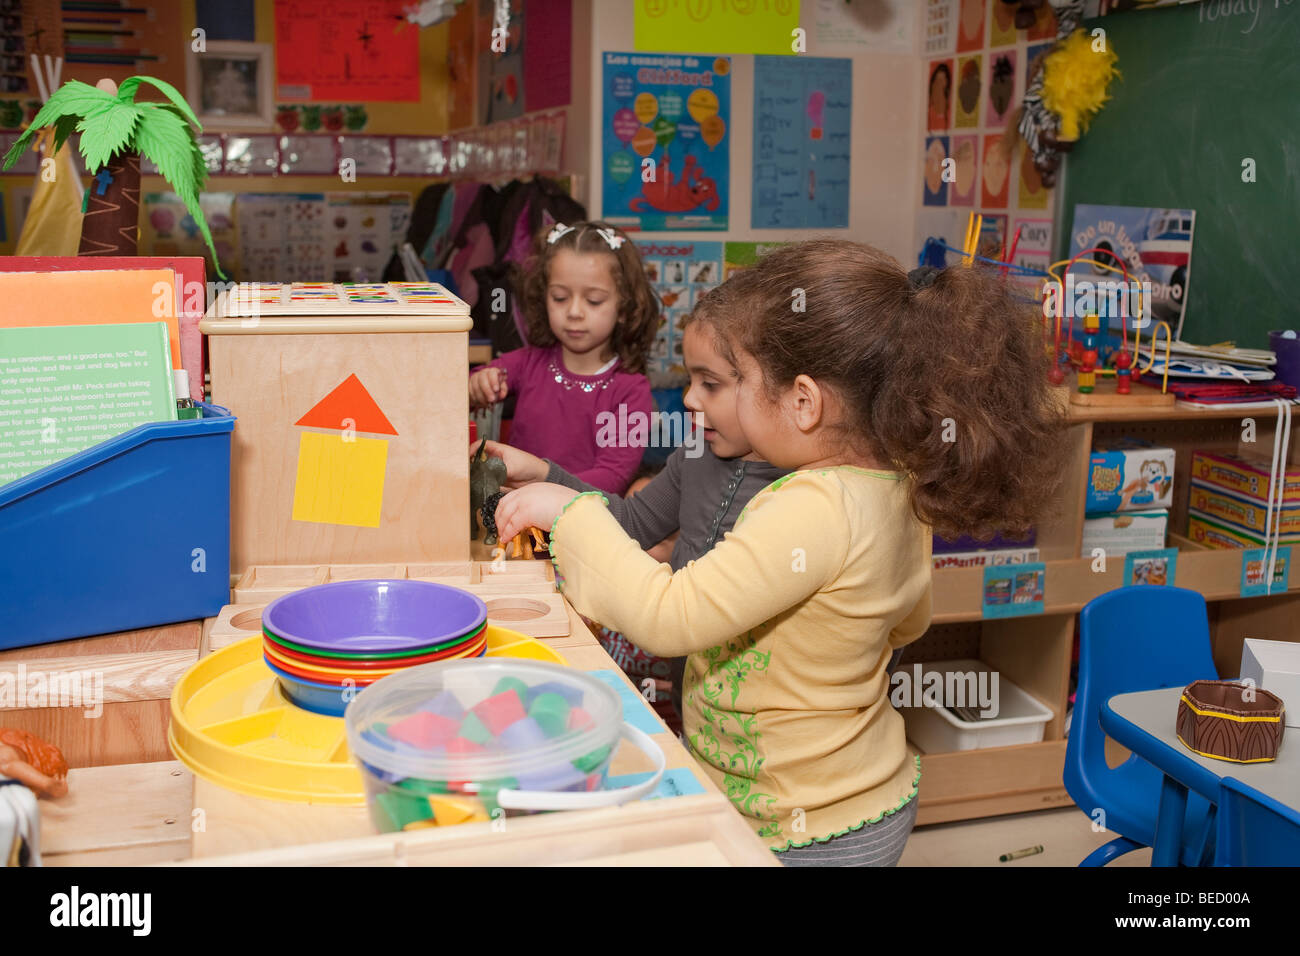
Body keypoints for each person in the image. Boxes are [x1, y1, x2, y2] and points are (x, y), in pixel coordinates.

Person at [494, 240, 1067, 865]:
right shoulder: (894, 485)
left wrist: (570, 514)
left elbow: (669, 616)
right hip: (860, 799)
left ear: (803, 401)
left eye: (736, 383)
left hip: (808, 826)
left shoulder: (812, 508)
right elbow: (909, 622)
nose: (700, 399)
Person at [477, 287, 788, 734]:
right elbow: (630, 523)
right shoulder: (696, 453)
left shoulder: (800, 489)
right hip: (696, 718)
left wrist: (564, 506)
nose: (689, 400)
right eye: (690, 381)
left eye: (711, 384)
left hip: (763, 739)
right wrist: (540, 473)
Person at [469, 221, 658, 496]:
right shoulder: (528, 362)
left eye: (593, 301)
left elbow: (613, 477)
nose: (574, 312)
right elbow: (462, 389)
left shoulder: (631, 390)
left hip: (583, 526)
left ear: (625, 308)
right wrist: (478, 384)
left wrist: (543, 481)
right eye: (560, 297)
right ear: (542, 297)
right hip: (516, 519)